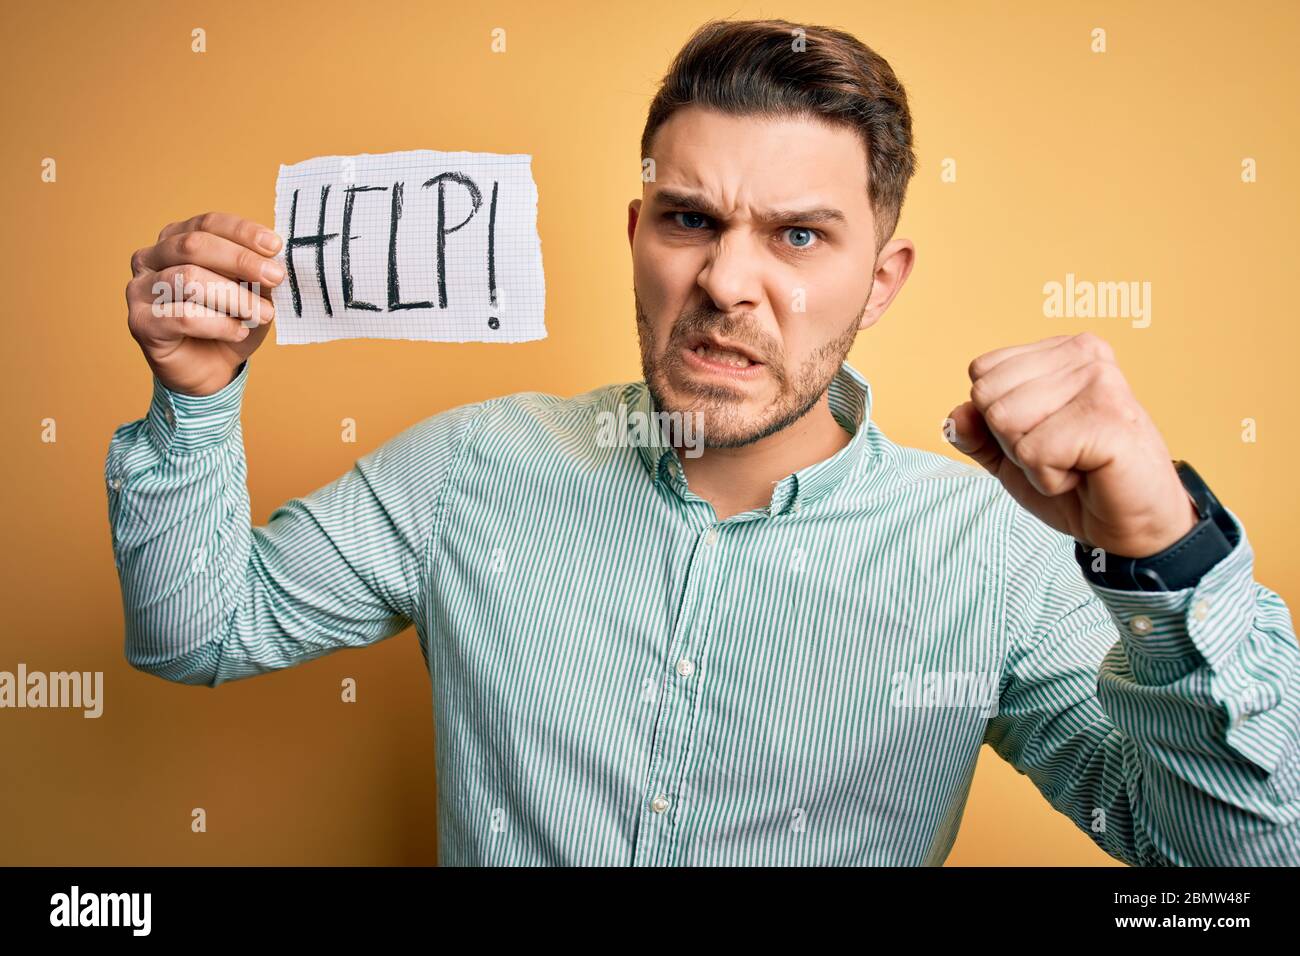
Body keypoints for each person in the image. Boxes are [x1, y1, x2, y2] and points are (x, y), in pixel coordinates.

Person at [108, 17, 1300, 866]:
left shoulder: (985, 554)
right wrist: (196, 402)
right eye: (689, 219)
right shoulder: (470, 468)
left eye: (796, 236)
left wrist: (1164, 552)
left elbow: (1241, 855)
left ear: (878, 282)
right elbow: (195, 629)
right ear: (637, 232)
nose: (726, 281)